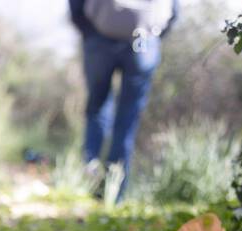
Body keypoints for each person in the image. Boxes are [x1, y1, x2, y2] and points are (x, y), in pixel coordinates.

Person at [69, 0, 180, 200]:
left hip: (100, 38)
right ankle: (114, 193)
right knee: (127, 120)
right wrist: (154, 35)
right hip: (144, 41)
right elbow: (174, 11)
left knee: (97, 108)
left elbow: (76, 6)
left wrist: (89, 31)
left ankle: (90, 177)